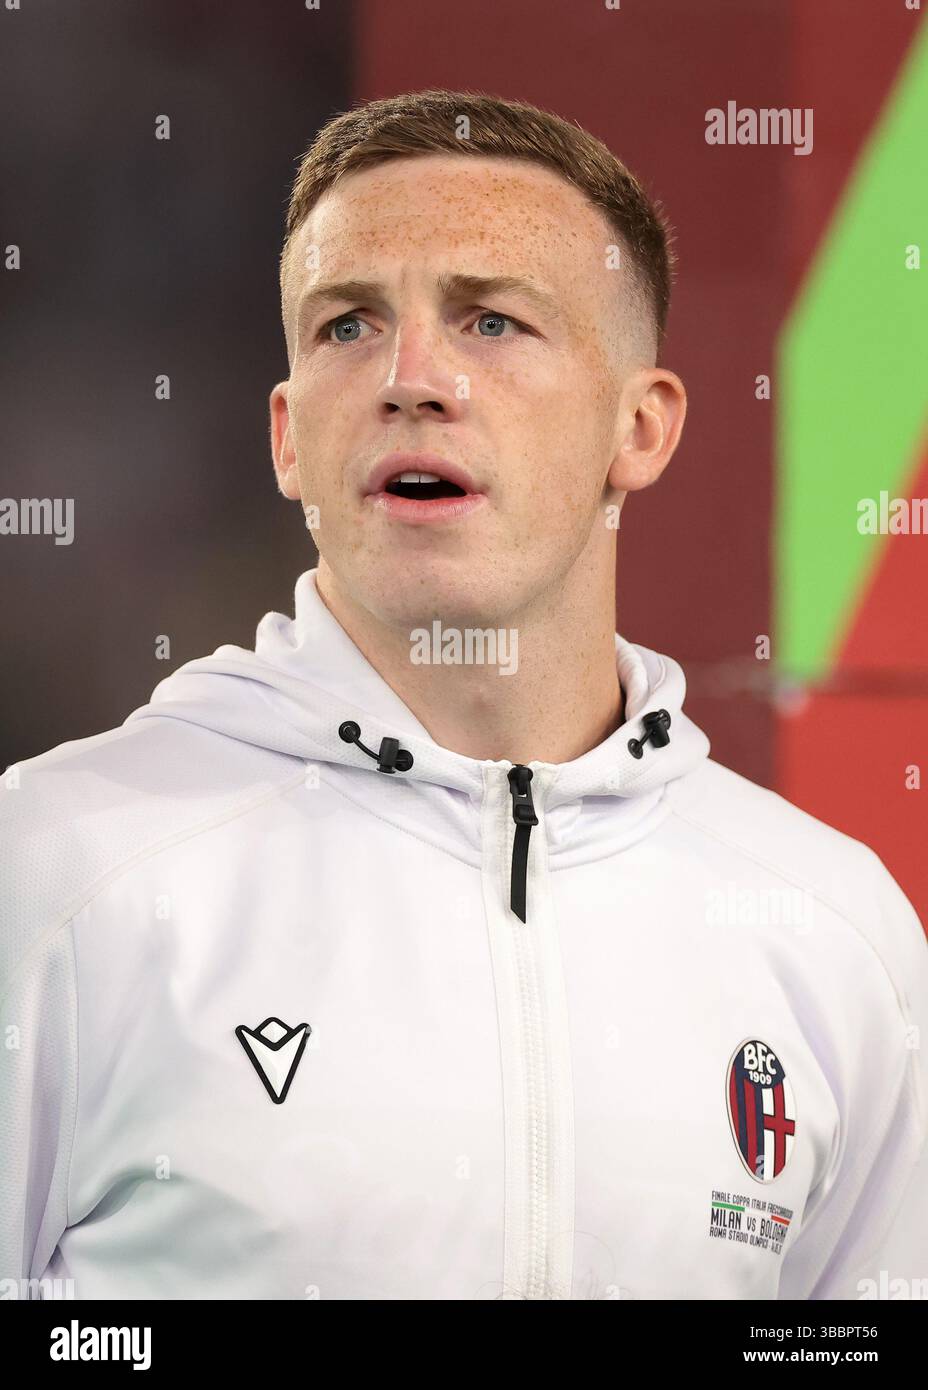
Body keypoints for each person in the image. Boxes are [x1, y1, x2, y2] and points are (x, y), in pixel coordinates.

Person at [2, 89, 925, 1301]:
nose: (411, 378)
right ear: (288, 438)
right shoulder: (54, 870)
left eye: (490, 321)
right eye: (346, 326)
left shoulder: (833, 927)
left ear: (638, 428)